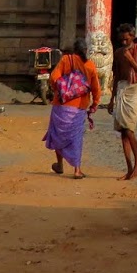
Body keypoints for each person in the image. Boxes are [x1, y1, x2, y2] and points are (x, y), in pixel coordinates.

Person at [42, 39, 100, 178]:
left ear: (74, 50)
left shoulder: (66, 60)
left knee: (58, 134)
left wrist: (61, 90)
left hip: (60, 105)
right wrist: (95, 103)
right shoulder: (90, 65)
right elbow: (96, 88)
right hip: (79, 107)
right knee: (76, 138)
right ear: (86, 51)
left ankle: (59, 164)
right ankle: (77, 170)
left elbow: (53, 77)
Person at [107, 22, 137, 181]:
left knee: (129, 128)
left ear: (132, 36)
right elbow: (116, 76)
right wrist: (112, 99)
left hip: (135, 89)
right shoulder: (118, 53)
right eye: (121, 40)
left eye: (127, 39)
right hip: (122, 89)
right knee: (122, 131)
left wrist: (131, 60)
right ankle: (129, 168)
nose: (124, 42)